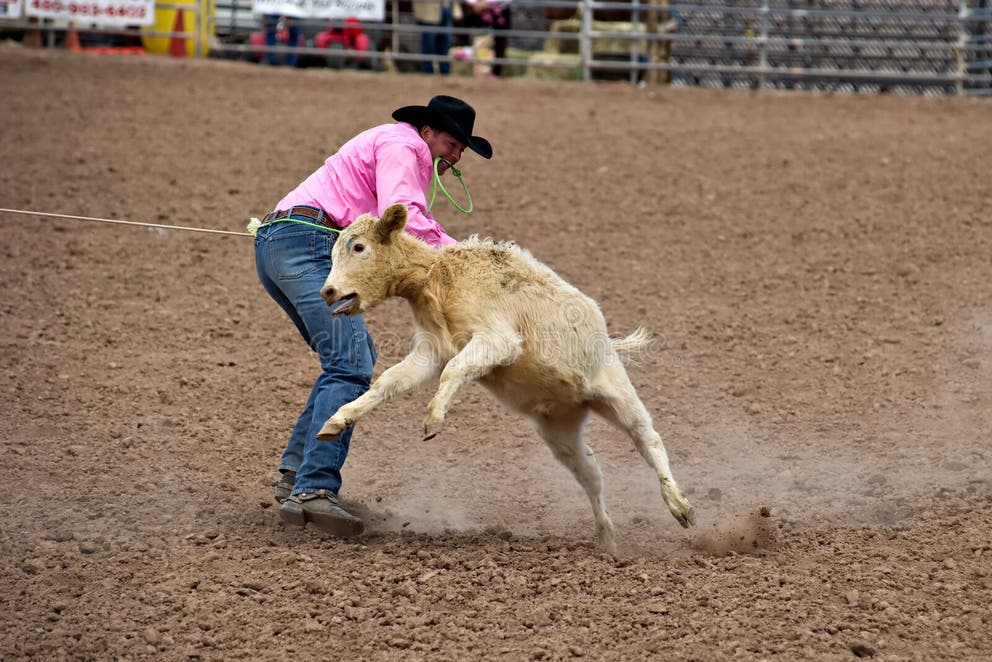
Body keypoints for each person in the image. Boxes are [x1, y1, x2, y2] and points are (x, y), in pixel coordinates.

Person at [254, 95, 493, 536]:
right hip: (308, 245)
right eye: (454, 143)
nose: (458, 155)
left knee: (350, 357)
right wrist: (467, 261)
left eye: (463, 148)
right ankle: (314, 488)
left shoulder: (393, 143)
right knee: (350, 364)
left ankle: (297, 475)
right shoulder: (406, 148)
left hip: (281, 244)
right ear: (427, 131)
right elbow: (402, 218)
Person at [461, 0, 512, 77]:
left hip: (497, 14)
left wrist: (487, 3)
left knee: (494, 47)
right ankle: (469, 51)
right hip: (484, 23)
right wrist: (476, 3)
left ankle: (493, 73)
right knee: (481, 48)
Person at [414, 0, 459, 75]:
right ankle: (428, 72)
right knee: (428, 44)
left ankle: (445, 71)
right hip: (428, 11)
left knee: (445, 44)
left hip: (445, 7)